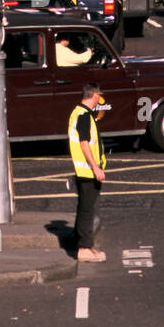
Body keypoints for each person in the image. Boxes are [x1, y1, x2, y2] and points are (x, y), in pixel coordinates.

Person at [67, 83, 107, 262]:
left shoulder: (80, 113)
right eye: (99, 95)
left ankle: (87, 246)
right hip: (87, 172)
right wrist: (95, 167)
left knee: (87, 209)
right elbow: (84, 144)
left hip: (85, 171)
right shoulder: (83, 115)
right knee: (86, 210)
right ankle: (83, 249)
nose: (100, 99)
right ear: (95, 95)